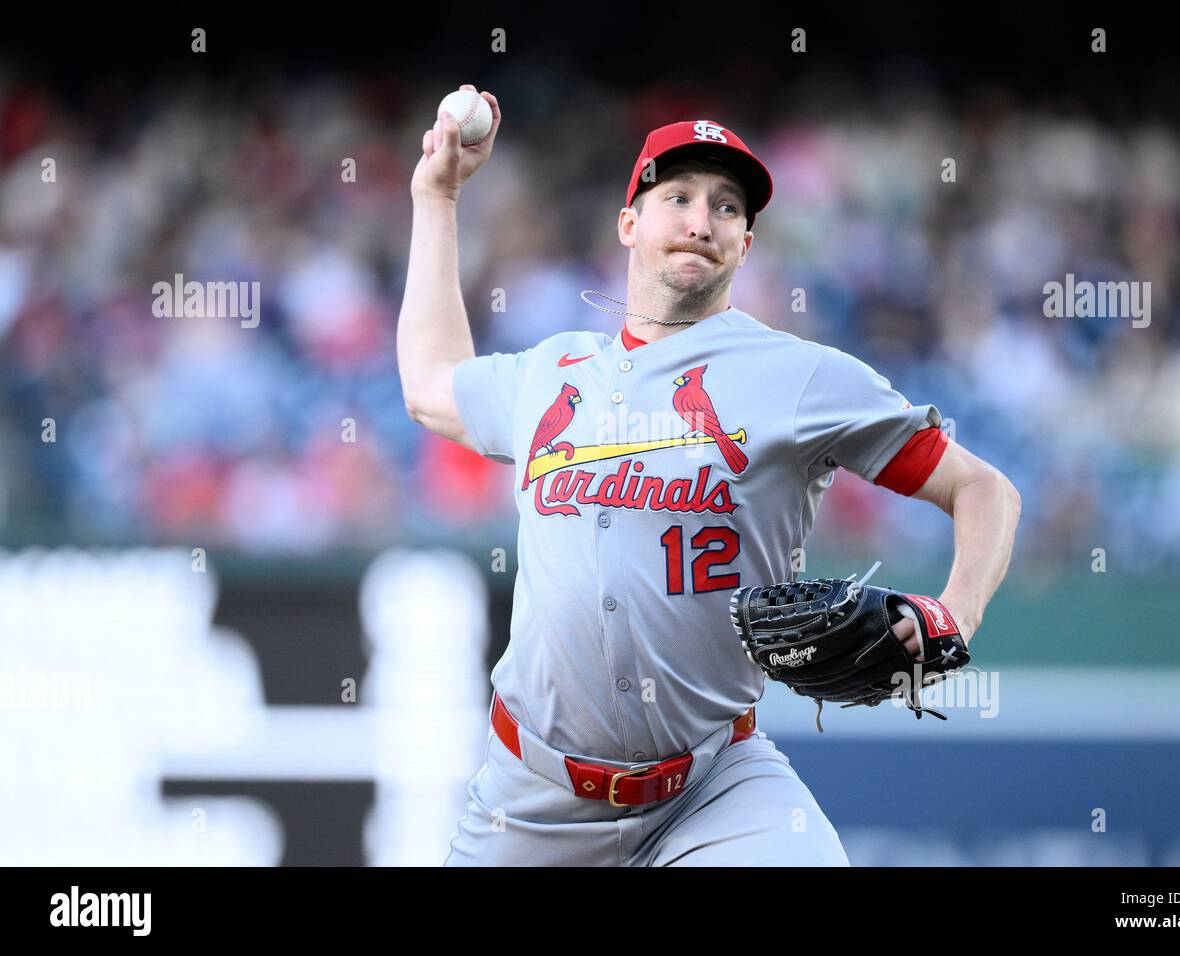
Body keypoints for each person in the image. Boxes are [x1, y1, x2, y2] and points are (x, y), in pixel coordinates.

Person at [397, 84, 1021, 866]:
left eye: (728, 208)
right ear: (629, 225)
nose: (702, 220)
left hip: (714, 786)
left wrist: (957, 613)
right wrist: (438, 196)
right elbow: (430, 386)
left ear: (746, 246)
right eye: (679, 196)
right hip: (529, 803)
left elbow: (984, 489)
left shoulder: (799, 379)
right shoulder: (551, 372)